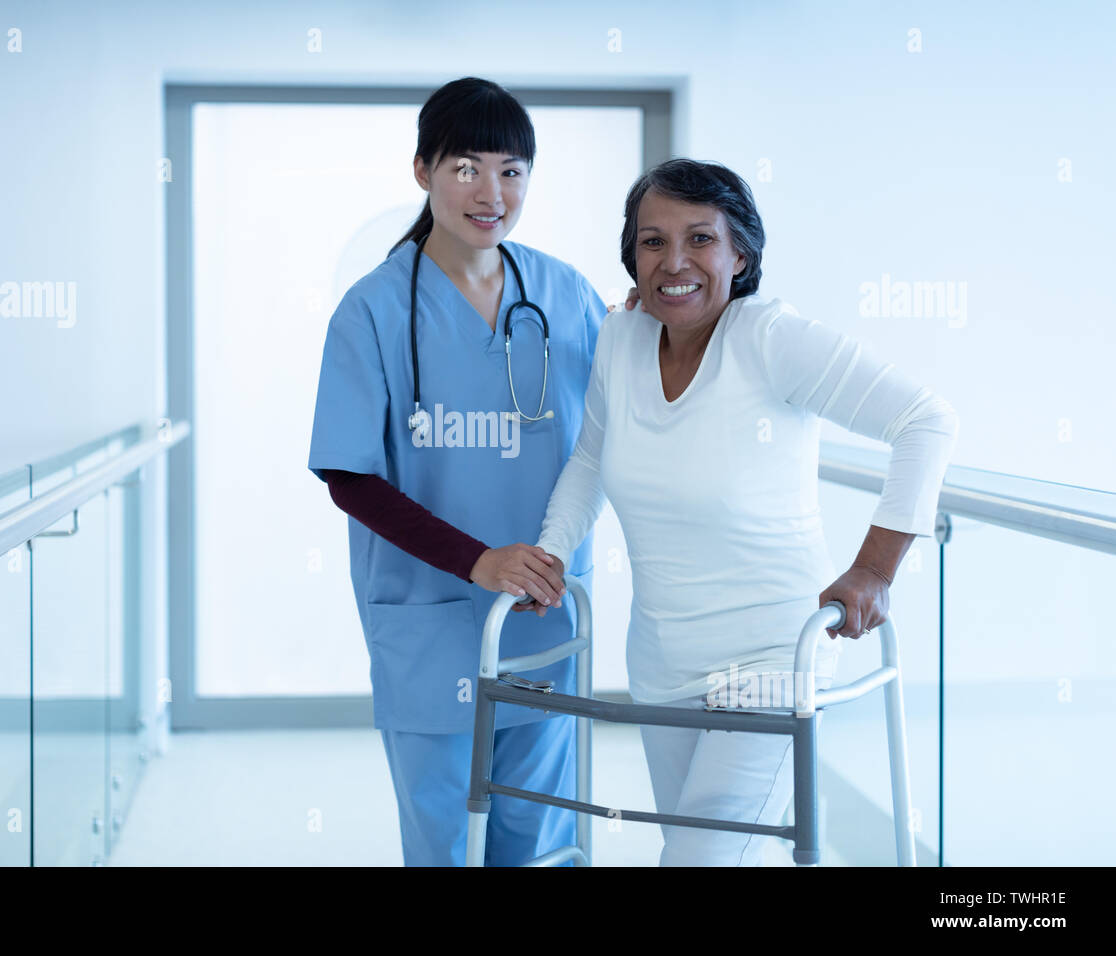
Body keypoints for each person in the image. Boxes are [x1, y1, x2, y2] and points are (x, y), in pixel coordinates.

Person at [526, 157, 959, 866]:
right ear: (632, 256)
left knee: (696, 860)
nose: (674, 262)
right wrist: (550, 550)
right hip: (662, 664)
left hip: (770, 662)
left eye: (700, 239)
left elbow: (925, 419)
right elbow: (590, 460)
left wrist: (874, 570)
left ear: (741, 253)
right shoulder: (621, 339)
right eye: (652, 241)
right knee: (708, 852)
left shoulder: (768, 338)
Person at [306, 77, 608, 866]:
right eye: (465, 167)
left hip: (543, 615)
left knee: (539, 841)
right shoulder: (372, 311)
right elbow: (351, 477)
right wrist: (479, 561)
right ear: (422, 172)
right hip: (430, 624)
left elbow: (626, 424)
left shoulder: (567, 295)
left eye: (511, 170)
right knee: (443, 843)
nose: (490, 192)